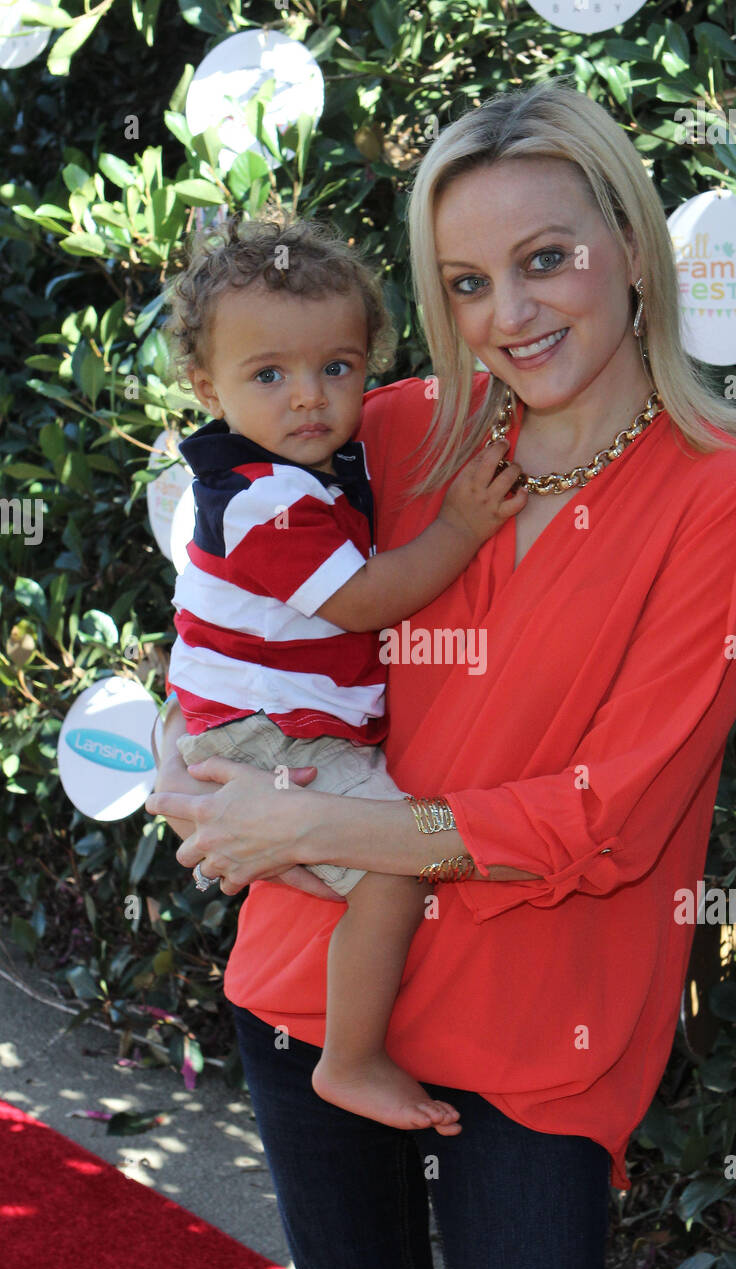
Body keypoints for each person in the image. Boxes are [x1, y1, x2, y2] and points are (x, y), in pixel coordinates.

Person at [146, 80, 736, 1269]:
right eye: (464, 281)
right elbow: (241, 587)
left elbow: (608, 818)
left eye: (544, 258)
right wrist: (191, 757)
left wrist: (317, 823)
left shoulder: (723, 501)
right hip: (312, 991)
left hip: (535, 1043)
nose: (509, 313)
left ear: (633, 250)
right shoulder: (391, 430)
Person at [158, 210, 524, 1134]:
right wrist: (465, 528)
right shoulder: (264, 496)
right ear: (207, 387)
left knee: (358, 869)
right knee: (393, 873)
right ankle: (350, 1062)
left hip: (249, 717)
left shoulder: (303, 468)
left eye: (339, 368)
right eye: (269, 375)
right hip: (264, 733)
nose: (310, 397)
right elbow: (363, 600)